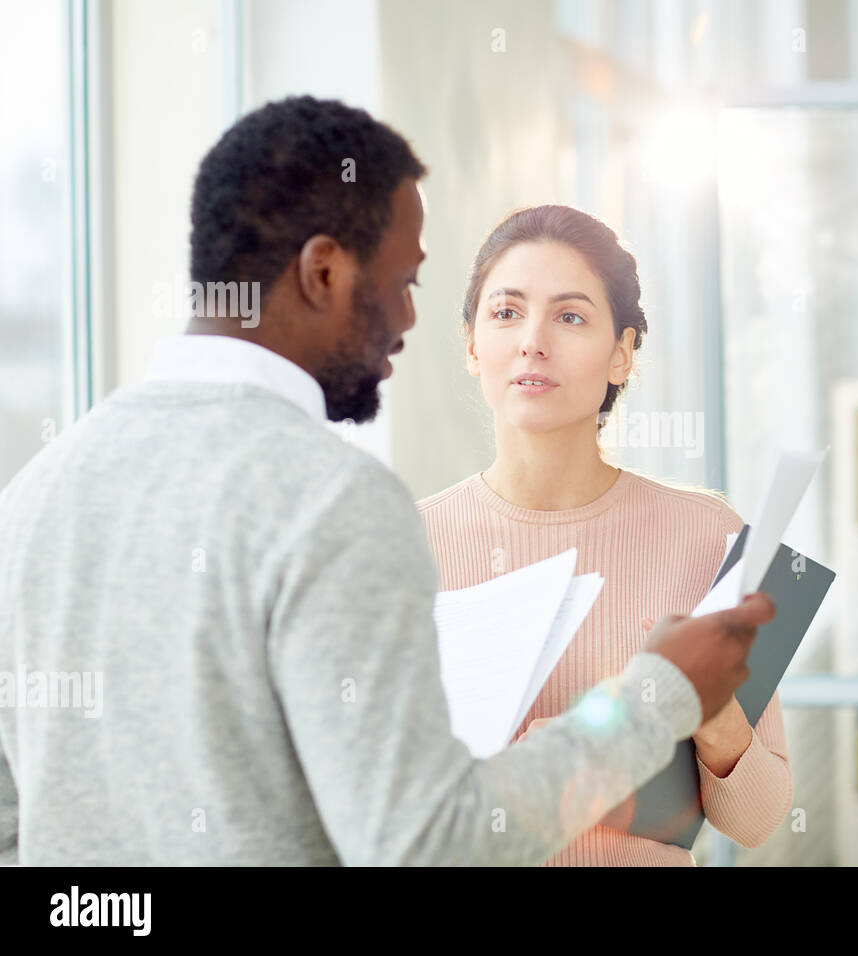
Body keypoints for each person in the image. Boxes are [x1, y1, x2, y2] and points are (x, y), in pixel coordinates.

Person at [0, 96, 774, 866]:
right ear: (325, 272)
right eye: (404, 282)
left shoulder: (34, 496)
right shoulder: (335, 503)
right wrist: (655, 696)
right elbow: (427, 842)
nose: (407, 320)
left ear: (621, 350)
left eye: (569, 317)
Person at [416, 205, 793, 865]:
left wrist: (705, 708)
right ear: (473, 346)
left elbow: (757, 819)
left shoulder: (706, 535)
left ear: (621, 354)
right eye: (506, 313)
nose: (533, 340)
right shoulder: (404, 547)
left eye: (570, 316)